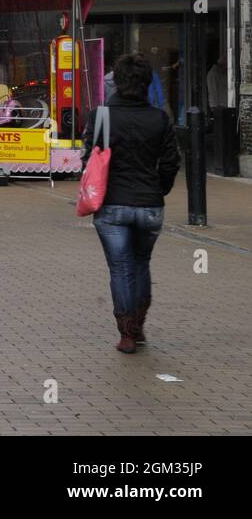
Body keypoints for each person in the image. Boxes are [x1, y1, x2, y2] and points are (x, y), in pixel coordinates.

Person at [85, 53, 181, 353]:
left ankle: (126, 333)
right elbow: (170, 163)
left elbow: (90, 158)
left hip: (111, 204)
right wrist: (159, 190)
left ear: (117, 82)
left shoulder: (101, 116)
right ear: (146, 84)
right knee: (141, 263)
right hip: (150, 205)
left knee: (120, 268)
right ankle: (138, 327)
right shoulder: (159, 119)